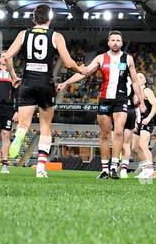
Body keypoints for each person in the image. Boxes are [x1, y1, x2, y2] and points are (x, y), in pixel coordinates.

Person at [2, 4, 81, 178]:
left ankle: (19, 136)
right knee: (46, 126)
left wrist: (14, 76)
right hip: (46, 83)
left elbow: (7, 56)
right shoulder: (56, 36)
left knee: (23, 123)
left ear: (33, 18)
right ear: (50, 18)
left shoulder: (24, 34)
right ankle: (40, 169)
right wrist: (80, 70)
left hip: (28, 82)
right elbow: (68, 63)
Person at [59, 31, 145, 179]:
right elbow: (84, 72)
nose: (116, 42)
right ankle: (105, 169)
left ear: (122, 43)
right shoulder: (101, 58)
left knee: (118, 132)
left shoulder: (128, 59)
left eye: (118, 40)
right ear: (108, 43)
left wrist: (142, 101)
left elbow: (136, 82)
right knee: (105, 134)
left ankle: (114, 166)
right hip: (105, 99)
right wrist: (66, 82)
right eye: (113, 40)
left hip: (121, 99)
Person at [131, 71, 156, 180]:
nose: (138, 78)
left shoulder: (146, 90)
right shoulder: (133, 93)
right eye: (136, 76)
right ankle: (145, 169)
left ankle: (150, 170)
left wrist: (148, 118)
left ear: (144, 80)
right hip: (137, 122)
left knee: (143, 145)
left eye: (141, 77)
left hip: (146, 121)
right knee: (135, 148)